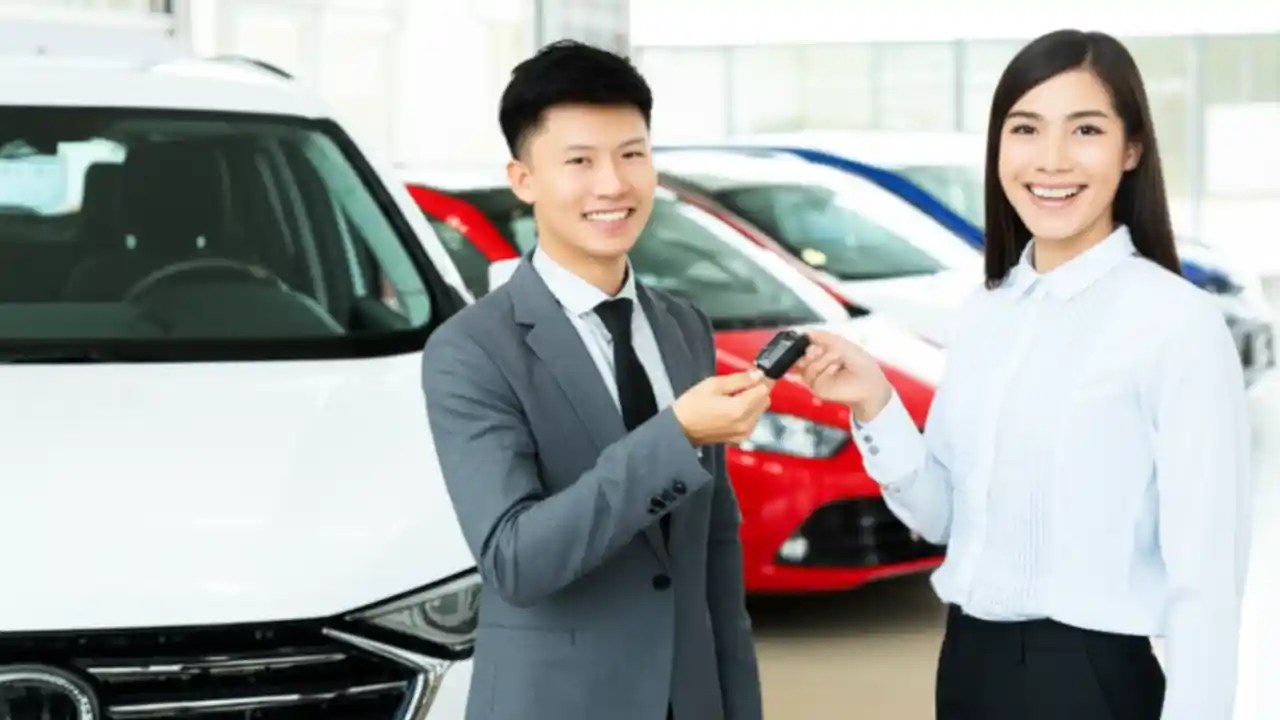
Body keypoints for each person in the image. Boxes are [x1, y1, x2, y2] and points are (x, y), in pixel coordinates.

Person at [794, 29, 1251, 720]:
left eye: (1085, 129)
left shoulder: (1175, 322)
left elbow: (1207, 582)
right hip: (967, 667)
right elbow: (943, 518)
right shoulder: (988, 310)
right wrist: (876, 404)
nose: (1051, 159)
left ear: (1131, 150)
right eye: (1026, 128)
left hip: (1090, 684)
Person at [421, 40, 767, 720]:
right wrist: (676, 436)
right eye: (579, 161)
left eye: (632, 154)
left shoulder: (683, 326)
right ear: (523, 179)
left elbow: (714, 554)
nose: (613, 184)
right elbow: (516, 561)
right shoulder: (470, 349)